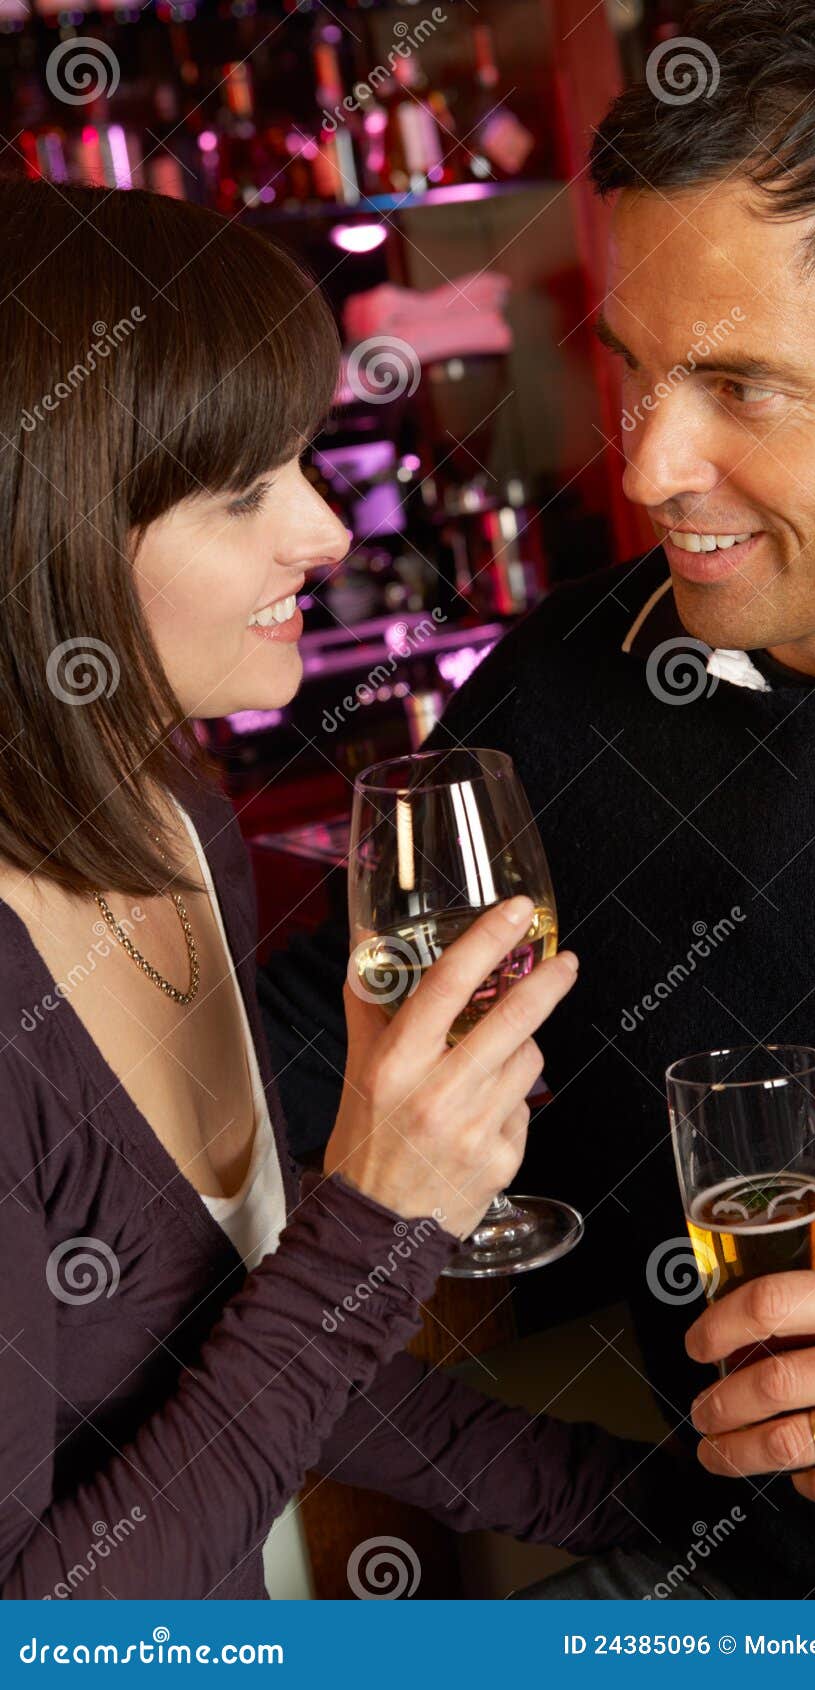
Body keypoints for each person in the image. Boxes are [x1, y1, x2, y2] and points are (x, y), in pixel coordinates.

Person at [261, 0, 815, 1599]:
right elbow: (311, 1032)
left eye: (742, 387)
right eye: (632, 369)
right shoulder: (577, 674)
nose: (646, 468)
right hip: (695, 1559)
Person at [0, 179, 679, 1601]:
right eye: (244, 491)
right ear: (41, 540)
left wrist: (685, 1505)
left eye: (302, 463)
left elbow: (256, 1342)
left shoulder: (173, 818)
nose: (325, 531)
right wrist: (375, 1216)